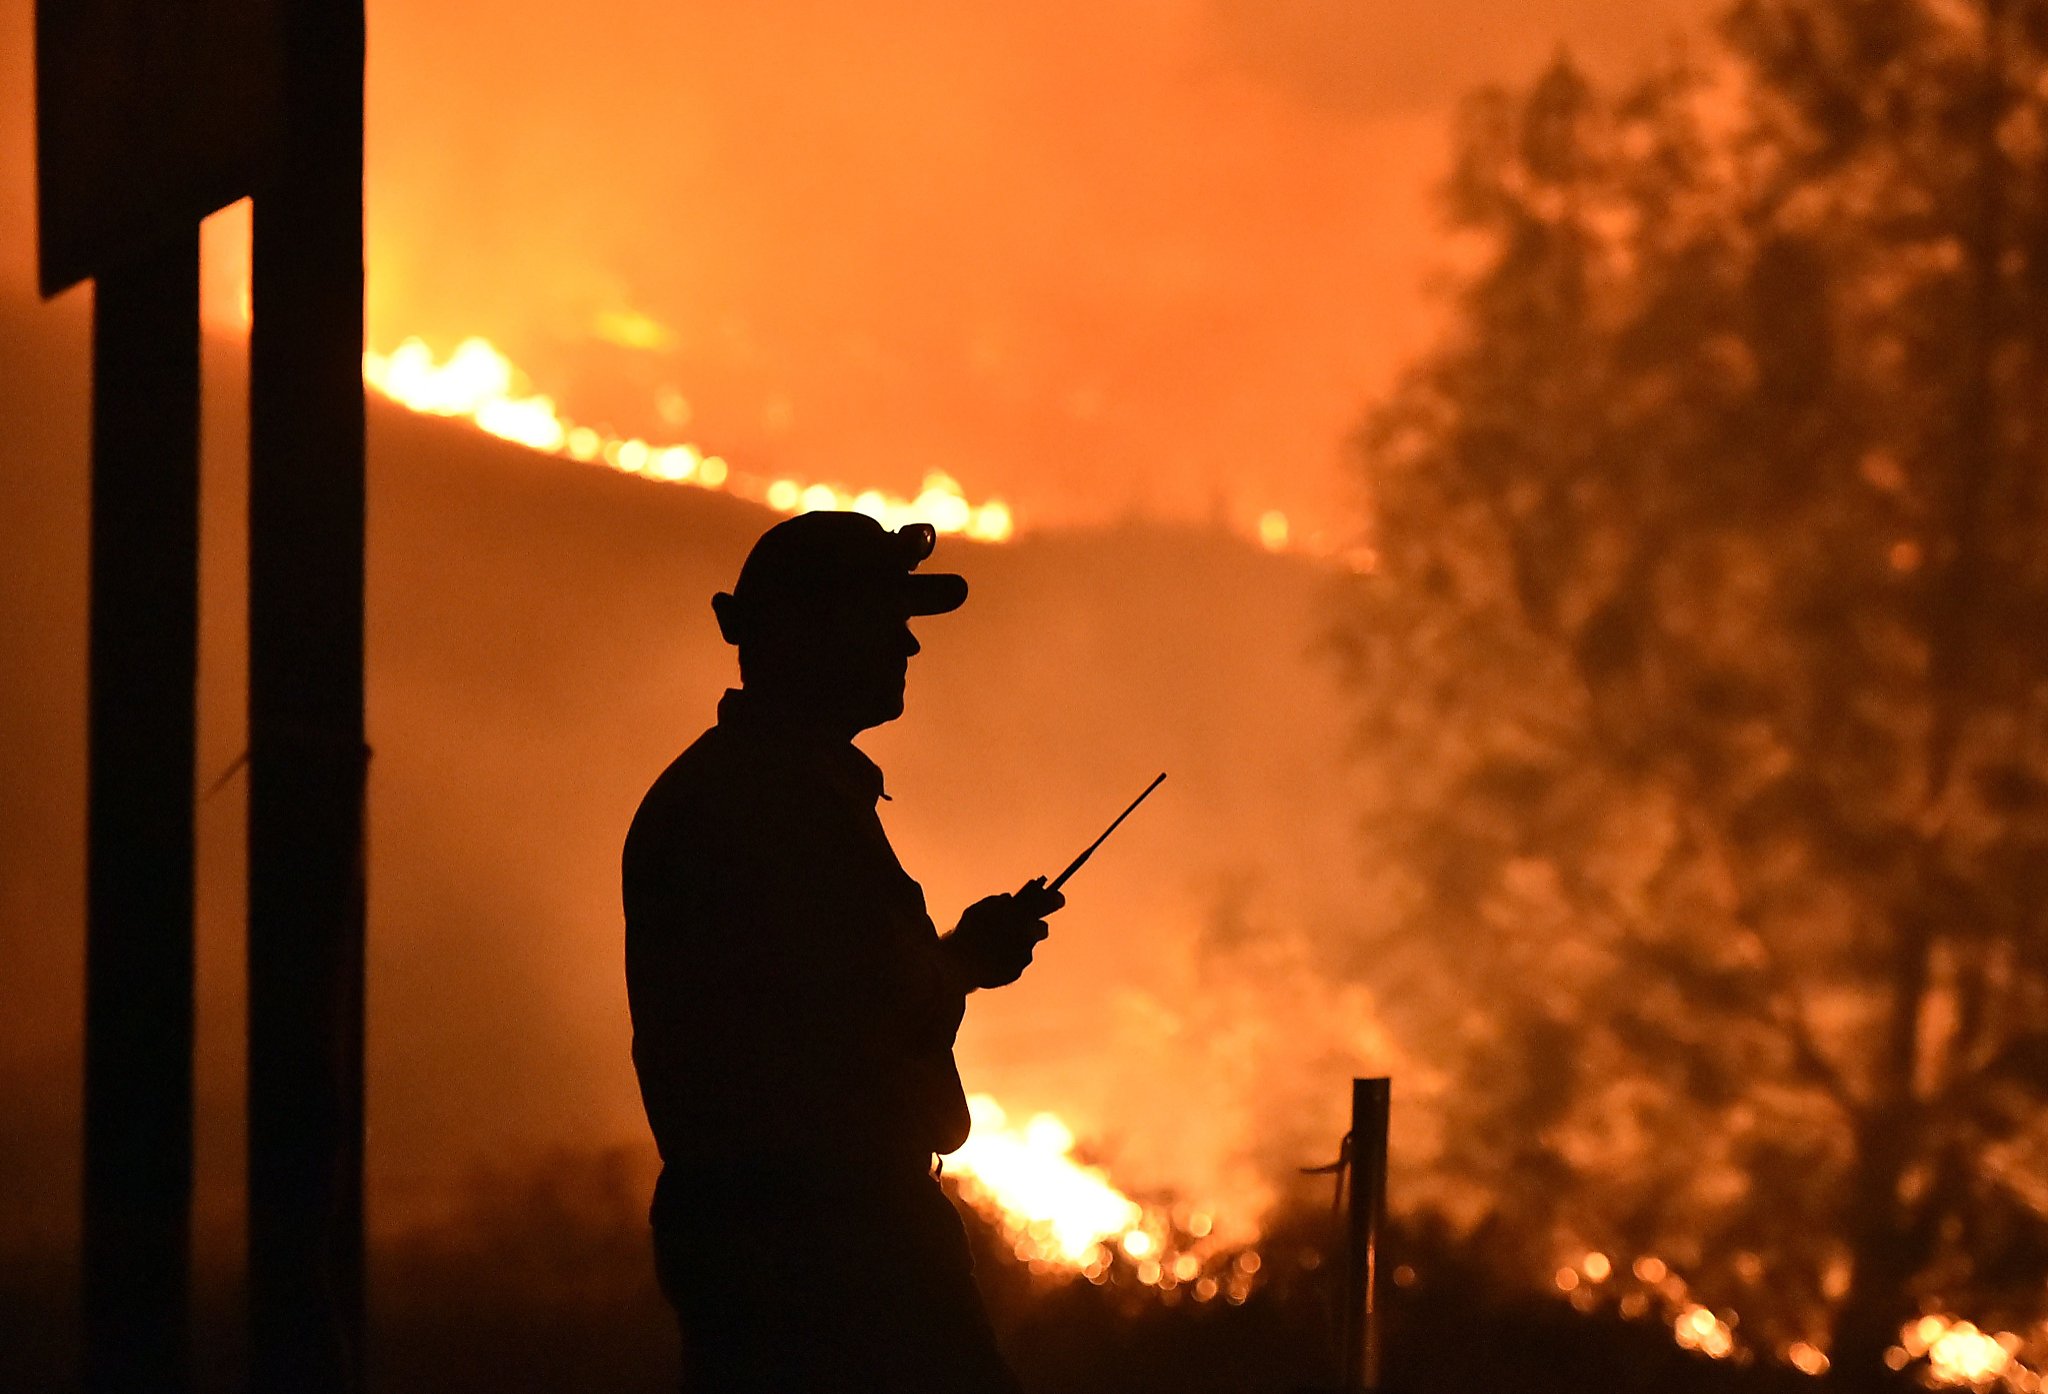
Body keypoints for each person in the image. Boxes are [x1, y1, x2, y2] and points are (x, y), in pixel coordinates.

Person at [623, 510, 1062, 1393]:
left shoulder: (752, 790)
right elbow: (855, 1010)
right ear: (810, 631)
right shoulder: (773, 806)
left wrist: (959, 961)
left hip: (788, 1237)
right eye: (883, 619)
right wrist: (967, 961)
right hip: (828, 1244)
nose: (909, 645)